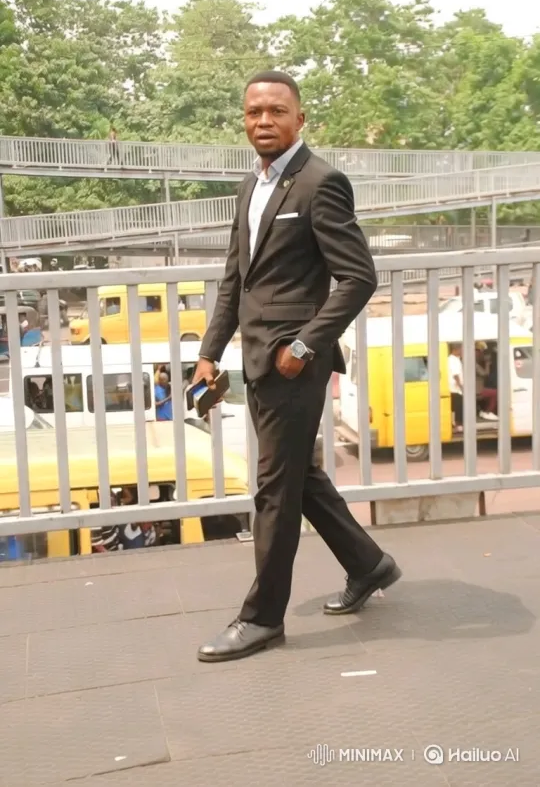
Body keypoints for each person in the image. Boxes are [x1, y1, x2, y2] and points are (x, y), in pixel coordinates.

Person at [191, 70, 401, 664]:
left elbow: (359, 277)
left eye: (277, 111)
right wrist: (210, 352)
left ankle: (261, 619)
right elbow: (236, 277)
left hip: (293, 365)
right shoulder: (247, 187)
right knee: (294, 477)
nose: (264, 121)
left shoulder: (320, 183)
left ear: (299, 119)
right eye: (254, 111)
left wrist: (306, 345)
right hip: (256, 358)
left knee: (273, 491)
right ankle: (370, 564)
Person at [448, 344, 463, 432]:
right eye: (461, 349)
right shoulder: (453, 360)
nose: (462, 351)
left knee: (454, 408)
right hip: (455, 388)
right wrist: (461, 387)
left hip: (454, 388)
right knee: (458, 407)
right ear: (455, 349)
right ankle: (458, 425)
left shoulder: (453, 359)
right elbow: (455, 374)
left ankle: (454, 424)